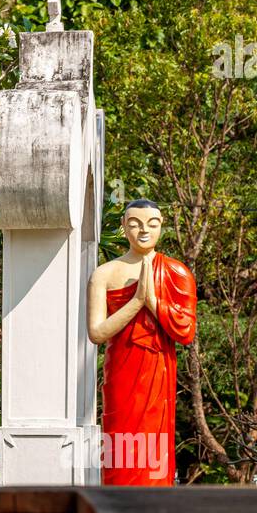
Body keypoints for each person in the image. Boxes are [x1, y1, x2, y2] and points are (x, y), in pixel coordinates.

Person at [86, 199, 197, 485]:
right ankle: (119, 510)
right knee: (120, 437)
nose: (143, 231)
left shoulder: (177, 273)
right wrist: (136, 302)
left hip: (158, 370)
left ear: (162, 227)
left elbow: (185, 331)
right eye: (134, 224)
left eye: (152, 224)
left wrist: (153, 301)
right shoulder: (105, 274)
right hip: (121, 370)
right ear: (123, 227)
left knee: (153, 439)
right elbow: (97, 333)